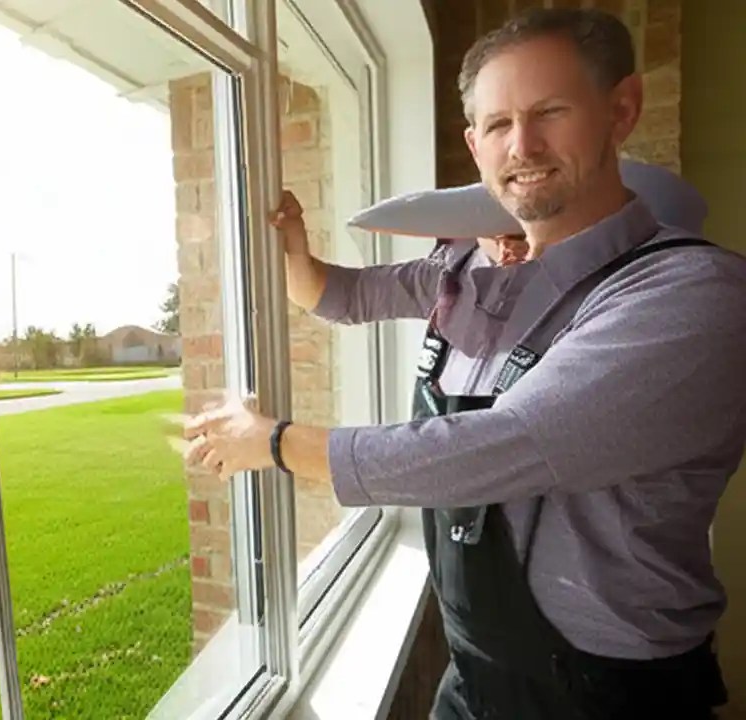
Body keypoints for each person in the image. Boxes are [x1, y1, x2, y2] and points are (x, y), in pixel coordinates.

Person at [183, 7, 746, 719]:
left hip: (612, 698)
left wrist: (272, 442)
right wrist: (289, 242)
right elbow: (342, 295)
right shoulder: (462, 273)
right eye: (500, 125)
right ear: (474, 145)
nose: (524, 145)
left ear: (621, 109)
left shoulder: (695, 294)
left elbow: (501, 447)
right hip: (477, 675)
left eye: (551, 111)